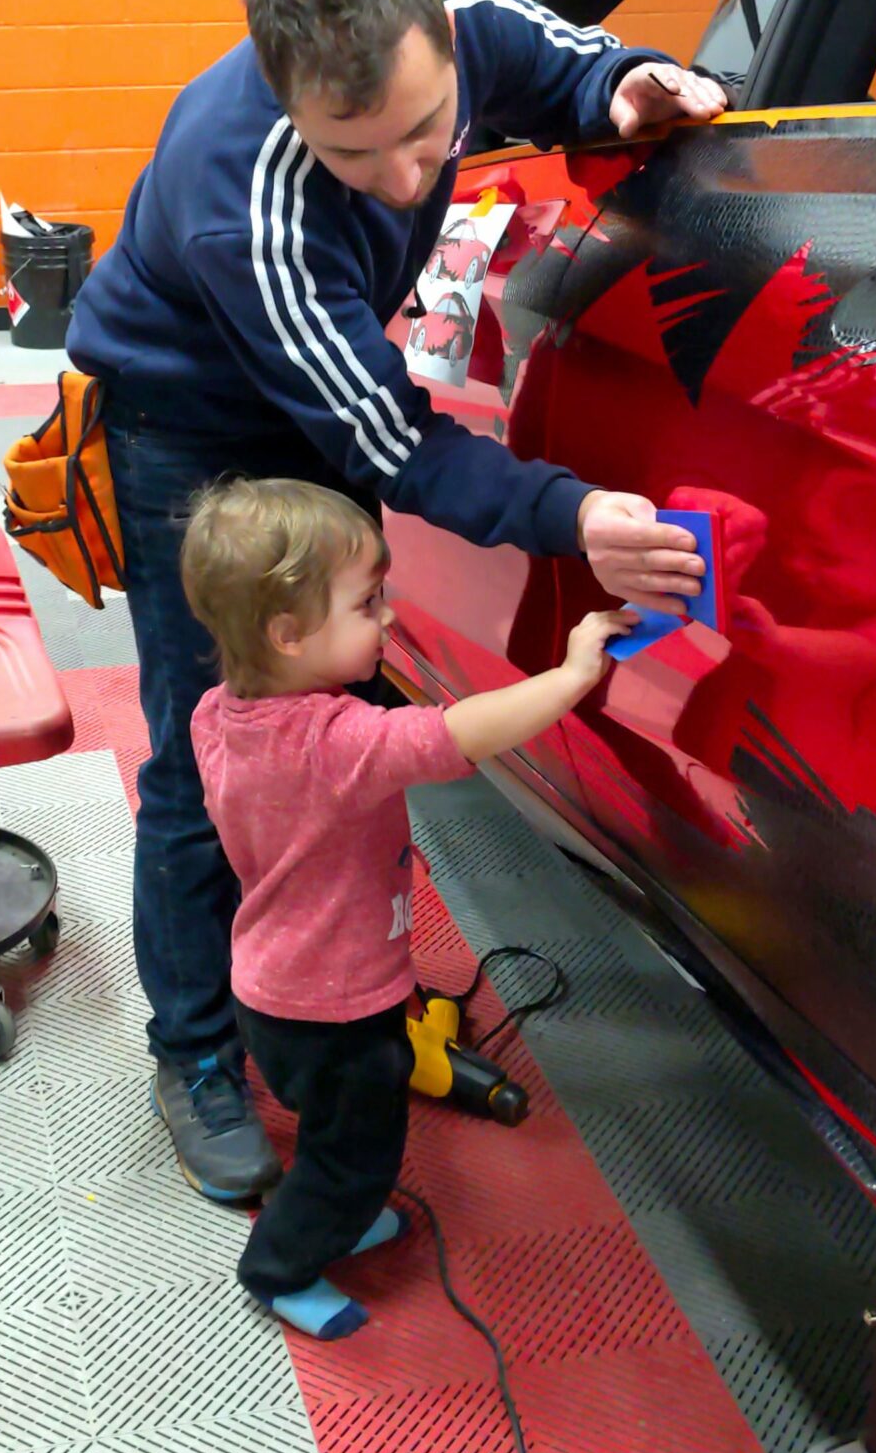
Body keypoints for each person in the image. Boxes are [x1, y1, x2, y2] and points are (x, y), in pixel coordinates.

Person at [67, 0, 726, 1204]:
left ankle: (339, 1004)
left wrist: (624, 86)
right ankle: (194, 1051)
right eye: (352, 154)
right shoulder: (245, 205)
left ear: (444, 46)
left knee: (354, 724)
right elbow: (393, 442)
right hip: (193, 424)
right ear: (286, 102)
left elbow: (577, 69)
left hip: (326, 381)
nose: (406, 180)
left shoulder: (469, 12)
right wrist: (569, 516)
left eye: (427, 133)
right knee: (222, 746)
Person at [181, 476, 634, 1340]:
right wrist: (574, 673)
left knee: (341, 1134)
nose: (387, 616)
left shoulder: (217, 713)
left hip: (277, 986)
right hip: (332, 1006)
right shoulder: (336, 744)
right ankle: (279, 1266)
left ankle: (339, 1216)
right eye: (366, 604)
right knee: (353, 1154)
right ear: (288, 634)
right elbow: (462, 732)